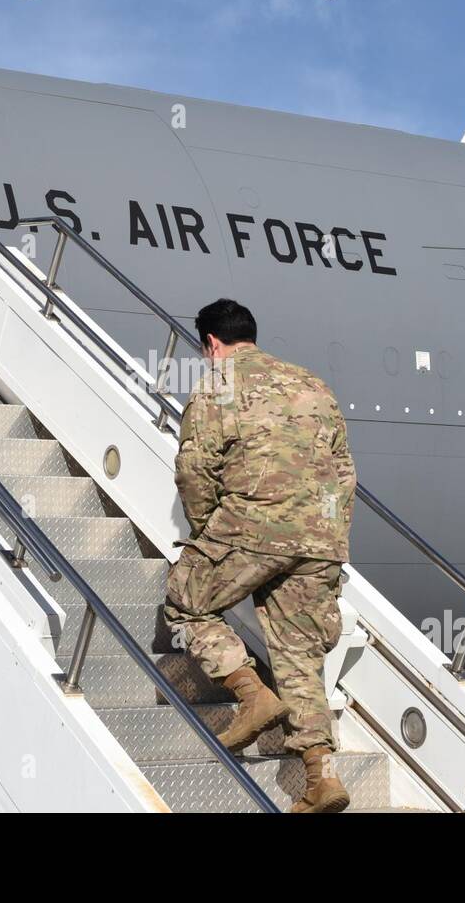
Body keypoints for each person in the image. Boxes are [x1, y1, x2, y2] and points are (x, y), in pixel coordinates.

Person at [163, 299, 356, 813]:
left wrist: (208, 532)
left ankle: (251, 693)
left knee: (185, 599)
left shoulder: (217, 381)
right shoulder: (311, 383)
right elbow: (343, 473)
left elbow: (194, 467)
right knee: (299, 655)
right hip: (321, 535)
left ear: (210, 344)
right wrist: (331, 540)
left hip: (252, 525)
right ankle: (321, 777)